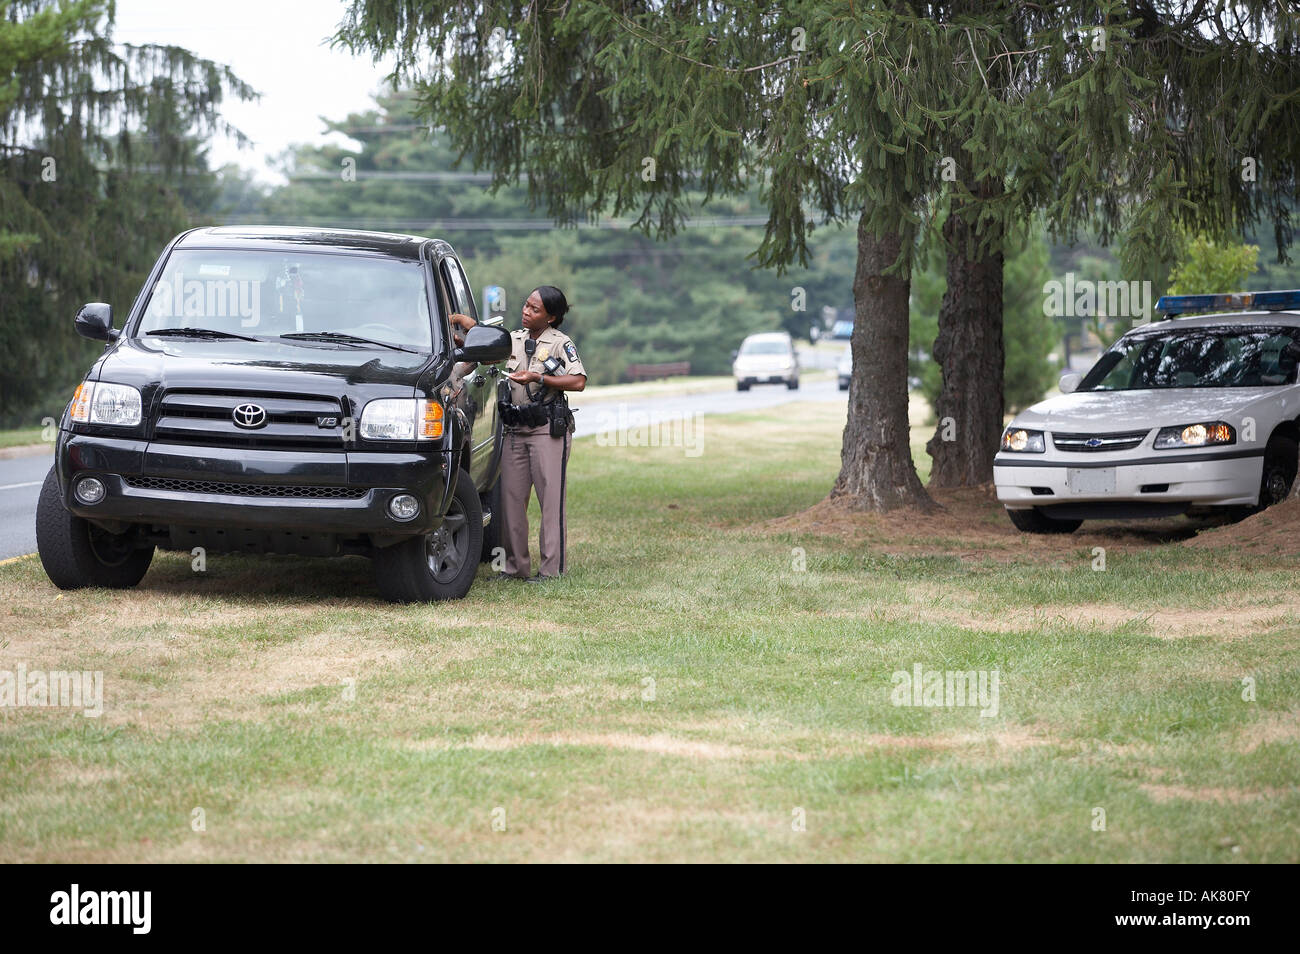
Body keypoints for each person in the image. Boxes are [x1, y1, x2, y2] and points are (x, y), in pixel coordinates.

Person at [499, 286, 586, 581]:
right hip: (515, 429)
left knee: (550, 502)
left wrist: (539, 377)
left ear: (550, 317)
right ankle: (515, 568)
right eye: (526, 305)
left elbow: (578, 382)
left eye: (534, 309)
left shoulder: (561, 344)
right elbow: (485, 345)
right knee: (511, 500)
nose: (526, 311)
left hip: (547, 431)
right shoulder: (514, 339)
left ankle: (550, 571)